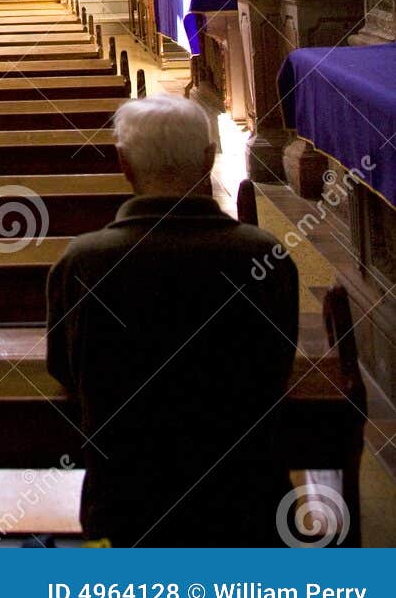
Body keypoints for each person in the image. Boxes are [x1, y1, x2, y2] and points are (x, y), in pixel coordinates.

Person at [46, 95, 298, 547]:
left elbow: (64, 370)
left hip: (123, 510)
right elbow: (277, 365)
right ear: (207, 158)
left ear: (123, 164)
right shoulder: (264, 258)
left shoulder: (82, 262)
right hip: (251, 507)